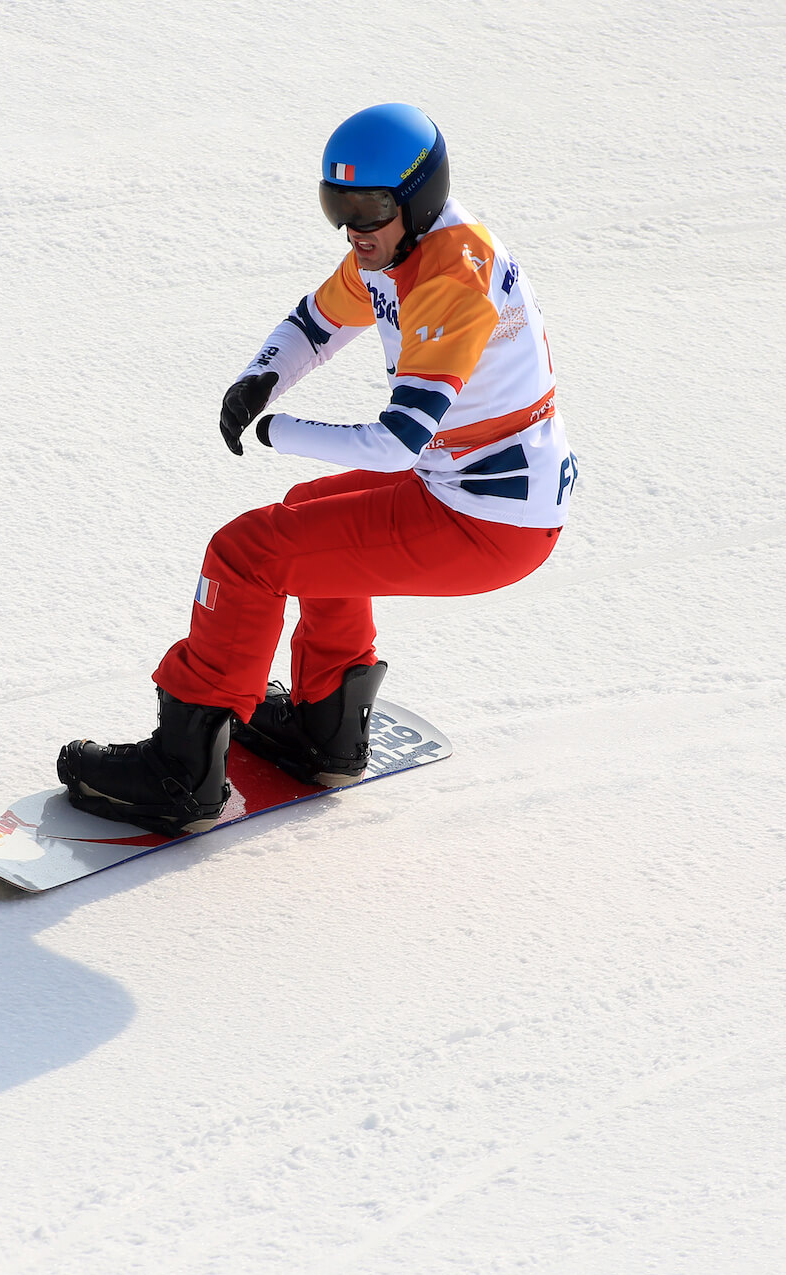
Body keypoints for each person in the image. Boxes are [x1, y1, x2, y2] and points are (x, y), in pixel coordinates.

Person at [58, 103, 577, 836]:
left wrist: (281, 428)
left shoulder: (449, 278)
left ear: (418, 196)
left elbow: (396, 441)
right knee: (306, 513)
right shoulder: (399, 247)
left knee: (245, 554)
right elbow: (322, 319)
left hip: (483, 518)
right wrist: (259, 378)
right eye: (336, 205)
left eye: (366, 207)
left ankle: (180, 773)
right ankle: (325, 725)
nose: (351, 228)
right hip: (473, 489)